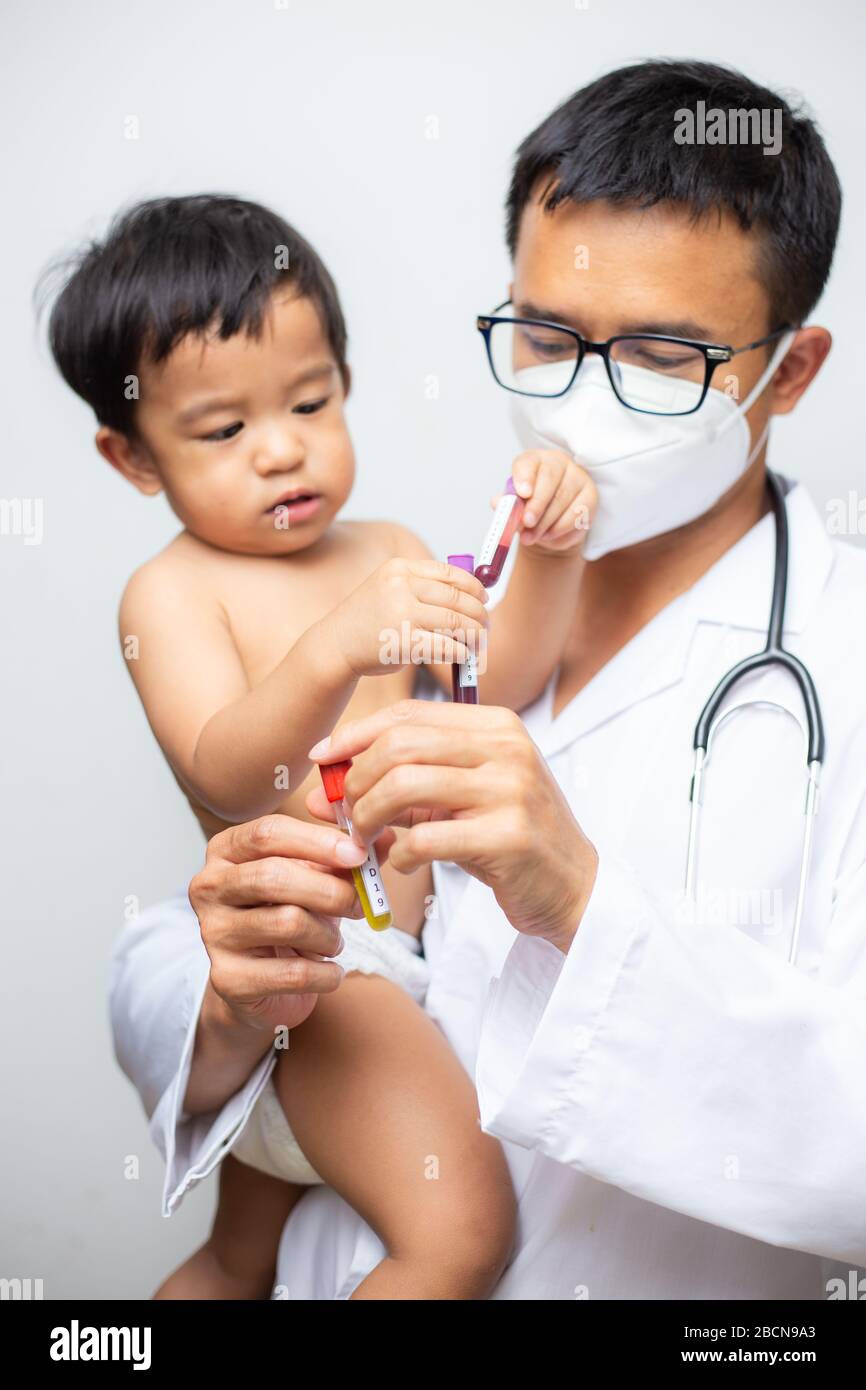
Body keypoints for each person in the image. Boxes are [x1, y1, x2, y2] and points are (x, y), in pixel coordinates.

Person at [110, 60, 866, 1299]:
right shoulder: (434, 576)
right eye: (545, 335)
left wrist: (574, 899)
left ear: (788, 370)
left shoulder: (836, 659)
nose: (581, 397)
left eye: (663, 353)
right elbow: (197, 919)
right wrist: (227, 997)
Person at [46, 194, 596, 1298]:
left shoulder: (385, 547)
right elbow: (230, 767)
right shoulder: (170, 590)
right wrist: (336, 646)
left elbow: (509, 680)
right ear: (132, 456)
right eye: (222, 429)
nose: (282, 449)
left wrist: (549, 552)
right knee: (460, 1238)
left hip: (402, 967)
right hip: (318, 982)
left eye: (310, 400)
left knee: (237, 1260)